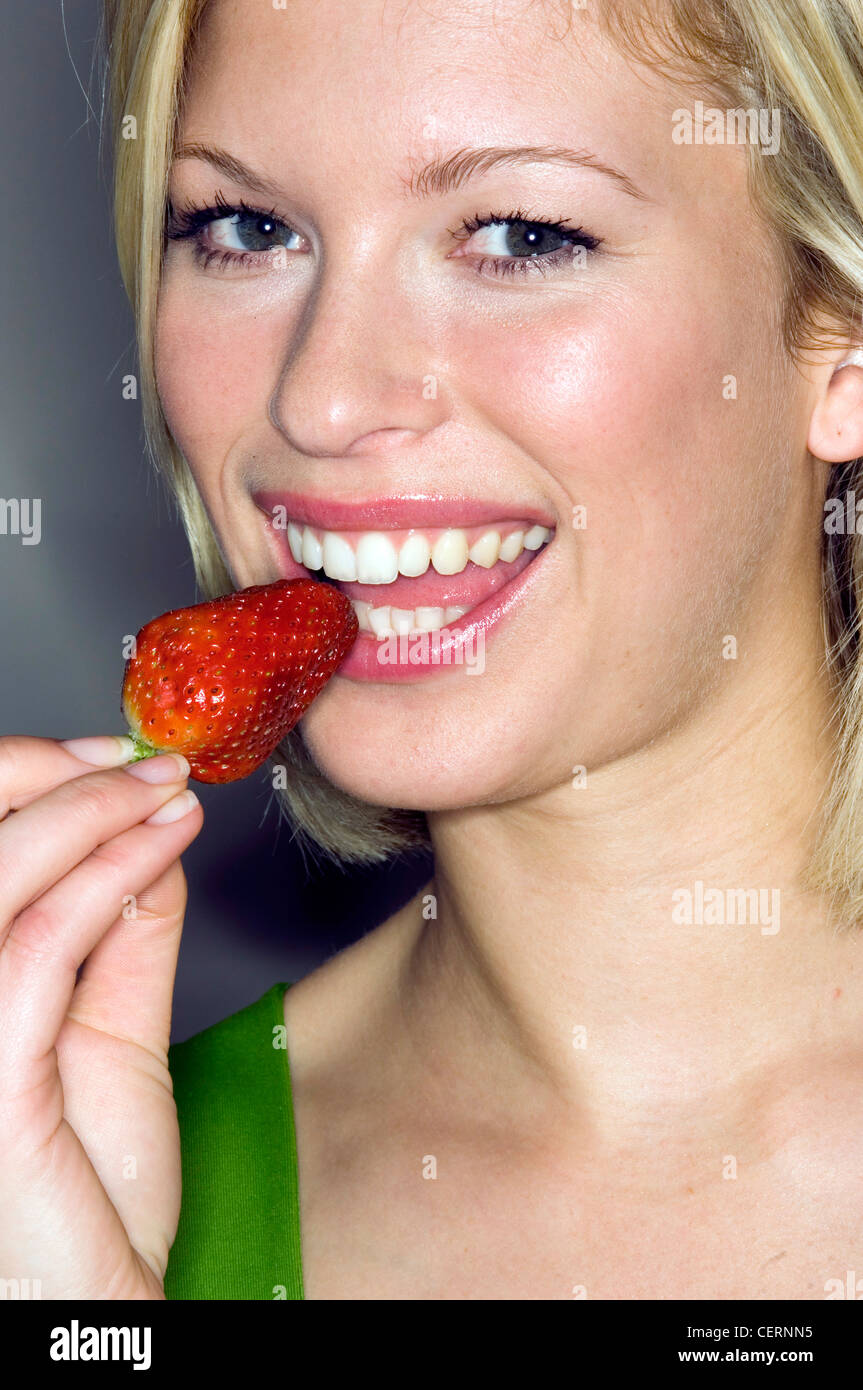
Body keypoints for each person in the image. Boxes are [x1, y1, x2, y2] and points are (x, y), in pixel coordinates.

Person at [3, 0, 863, 1299]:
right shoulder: (83, 1186)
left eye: (520, 237)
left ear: (841, 328)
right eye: (247, 229)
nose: (322, 395)